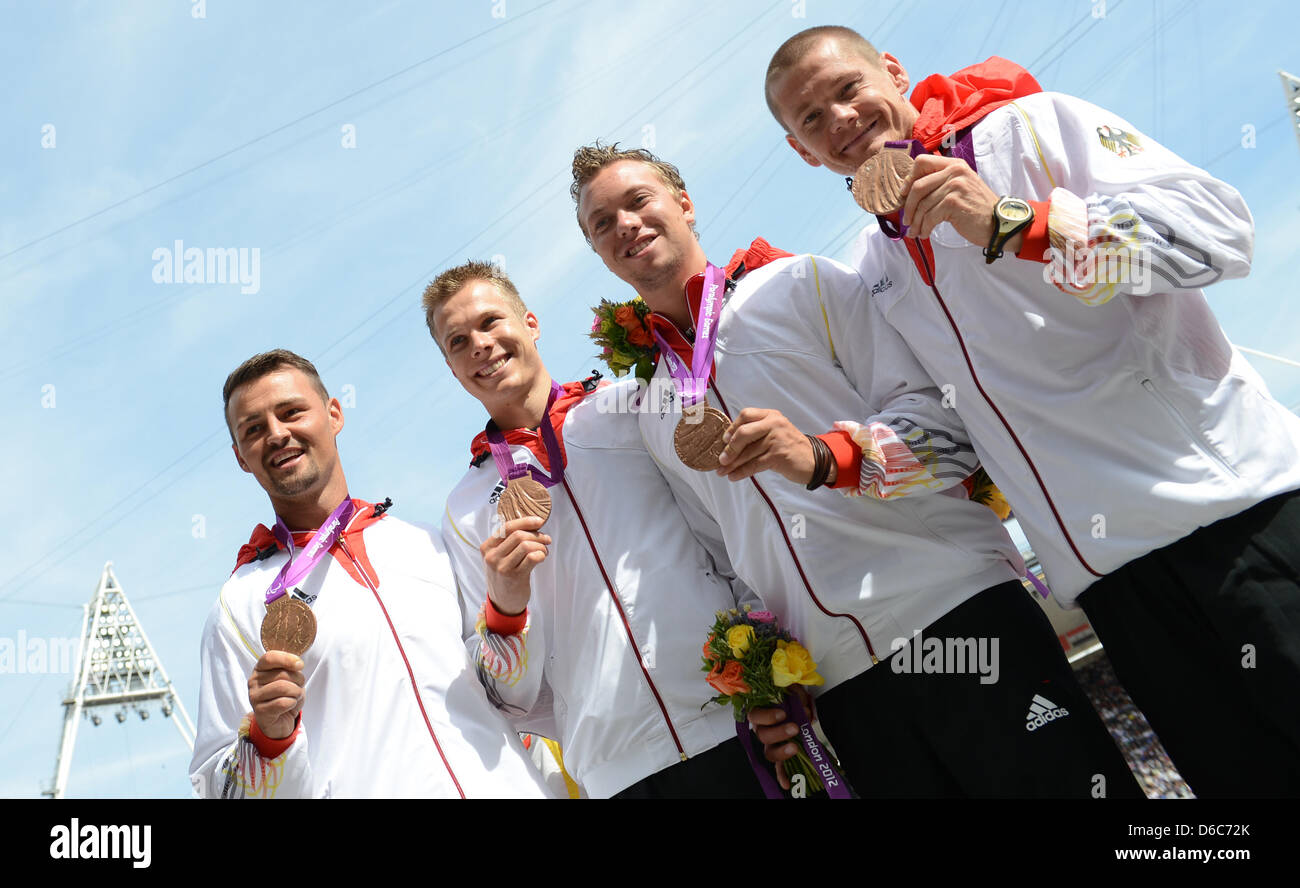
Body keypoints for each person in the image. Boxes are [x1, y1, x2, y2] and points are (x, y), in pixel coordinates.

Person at [764, 25, 1300, 796]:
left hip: (1237, 519)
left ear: (891, 71)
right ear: (802, 152)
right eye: (811, 119)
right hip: (1112, 584)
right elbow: (954, 441)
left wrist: (1026, 226)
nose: (840, 119)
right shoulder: (874, 266)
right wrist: (826, 458)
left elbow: (1220, 233)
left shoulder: (1028, 128)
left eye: (847, 89)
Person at [570, 144, 1141, 798]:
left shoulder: (799, 283)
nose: (624, 225)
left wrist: (825, 456)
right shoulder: (654, 411)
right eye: (601, 223)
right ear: (597, 251)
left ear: (685, 203)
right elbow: (730, 564)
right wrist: (766, 681)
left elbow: (947, 425)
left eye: (637, 200)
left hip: (958, 616)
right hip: (843, 687)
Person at [426, 261, 765, 798]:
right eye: (458, 341)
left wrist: (769, 670)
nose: (480, 345)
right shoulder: (465, 508)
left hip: (739, 721)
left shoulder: (629, 407)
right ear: (451, 367)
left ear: (531, 322)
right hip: (620, 772)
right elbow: (509, 697)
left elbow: (732, 535)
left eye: (491, 322)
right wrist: (506, 608)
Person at [190, 349, 551, 798]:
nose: (278, 434)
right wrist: (267, 738)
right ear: (241, 457)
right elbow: (219, 790)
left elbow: (510, 696)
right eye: (254, 429)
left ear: (334, 413)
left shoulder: (426, 543)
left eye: (291, 412)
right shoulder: (238, 606)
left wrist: (507, 612)